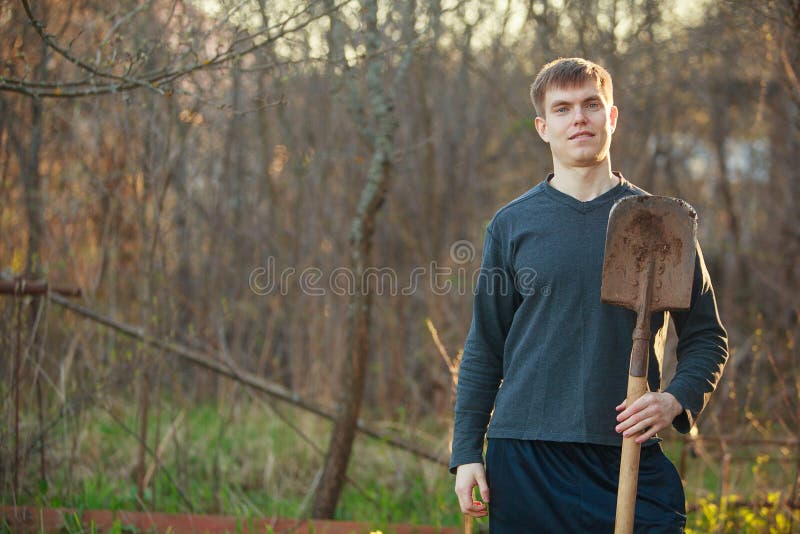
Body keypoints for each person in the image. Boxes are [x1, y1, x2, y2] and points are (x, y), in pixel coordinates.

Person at [450, 57, 728, 532]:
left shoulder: (664, 224)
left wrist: (675, 398)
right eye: (562, 109)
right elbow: (485, 345)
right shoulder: (512, 225)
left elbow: (707, 338)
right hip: (526, 457)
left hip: (626, 453)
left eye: (591, 105)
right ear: (543, 127)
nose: (579, 118)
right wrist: (466, 451)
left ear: (611, 117)